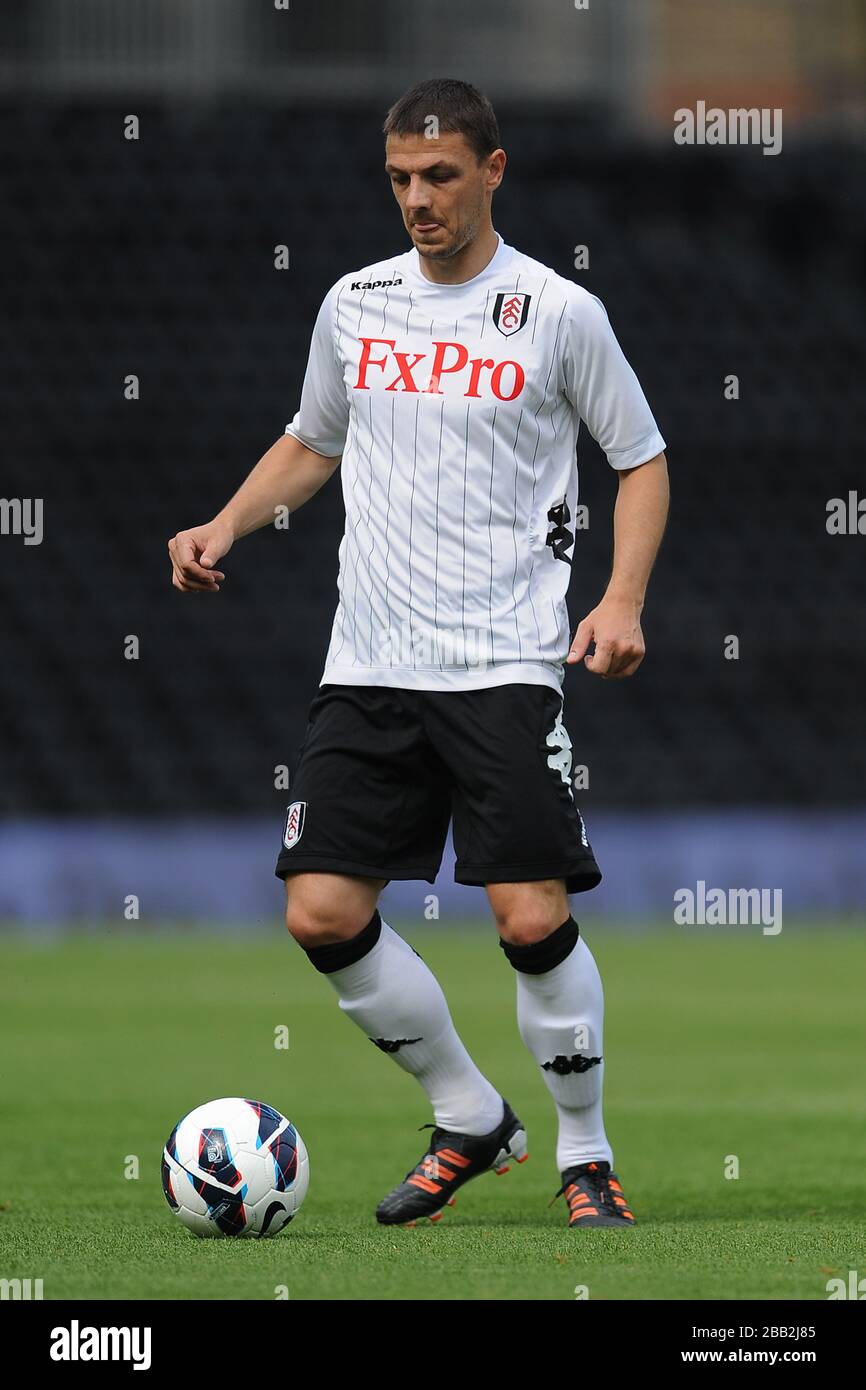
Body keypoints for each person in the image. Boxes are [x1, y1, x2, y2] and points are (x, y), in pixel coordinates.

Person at [167, 77, 669, 1230]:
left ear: (493, 170)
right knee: (322, 912)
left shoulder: (556, 312)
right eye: (399, 178)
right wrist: (225, 522)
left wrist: (621, 598)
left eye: (439, 175)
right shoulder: (354, 304)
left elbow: (638, 458)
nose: (417, 199)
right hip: (370, 663)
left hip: (501, 660)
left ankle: (583, 1155)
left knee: (529, 919)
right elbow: (312, 439)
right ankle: (465, 1113)